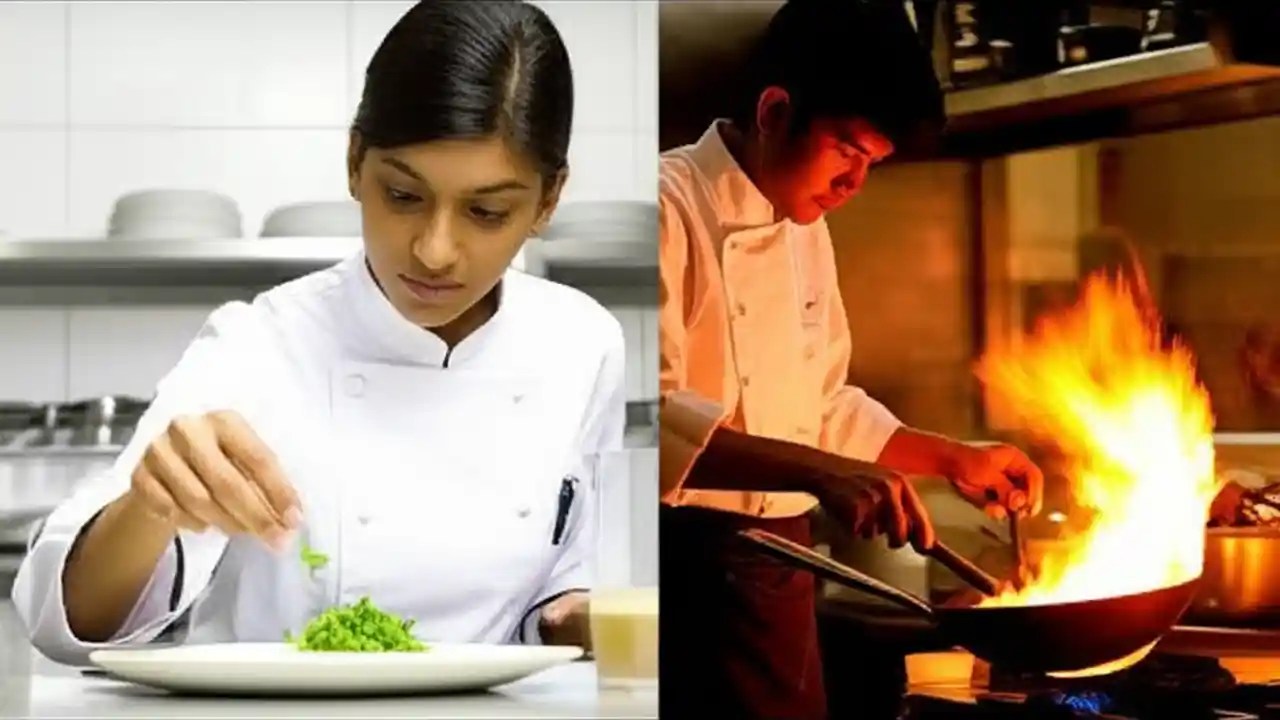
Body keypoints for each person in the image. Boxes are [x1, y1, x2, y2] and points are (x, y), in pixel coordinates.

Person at [13, 0, 621, 666]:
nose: (435, 250)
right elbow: (68, 621)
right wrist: (152, 505)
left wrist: (597, 621)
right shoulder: (260, 344)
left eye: (486, 211)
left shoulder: (582, 345)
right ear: (356, 162)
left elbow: (559, 597)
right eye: (403, 196)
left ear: (549, 200)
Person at [657, 2, 1045, 718]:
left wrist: (952, 458)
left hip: (780, 569)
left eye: (870, 163)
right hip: (680, 578)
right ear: (774, 111)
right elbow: (638, 427)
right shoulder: (658, 208)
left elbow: (821, 407)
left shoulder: (803, 226)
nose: (852, 184)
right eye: (846, 150)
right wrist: (819, 471)